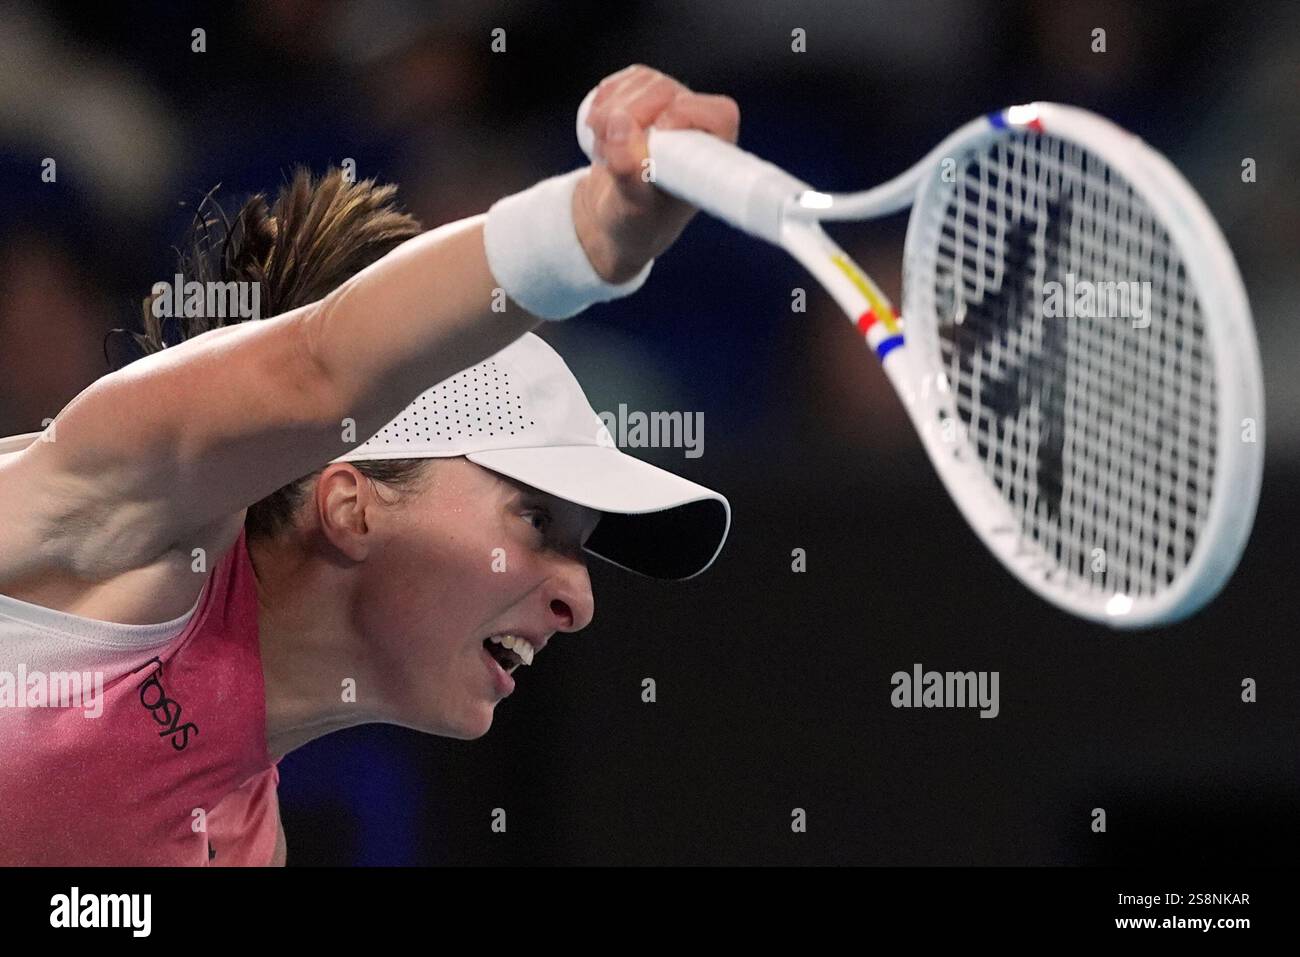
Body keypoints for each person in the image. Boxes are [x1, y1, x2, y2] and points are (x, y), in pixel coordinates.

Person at [0, 65, 738, 865]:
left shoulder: (246, 844)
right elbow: (321, 369)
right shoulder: (119, 518)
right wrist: (592, 231)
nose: (579, 599)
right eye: (536, 520)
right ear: (351, 501)